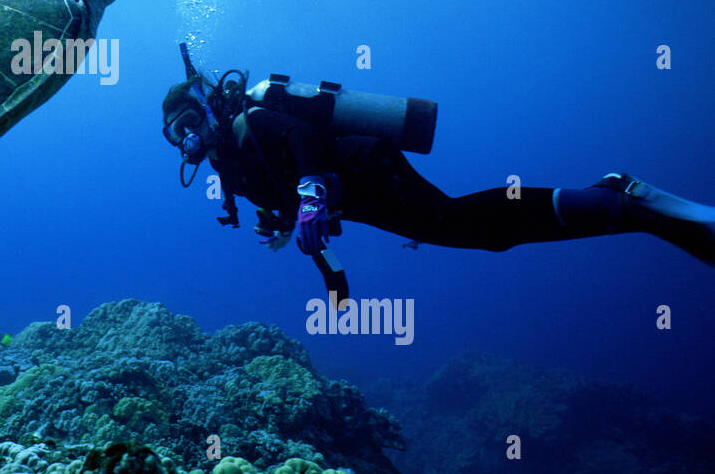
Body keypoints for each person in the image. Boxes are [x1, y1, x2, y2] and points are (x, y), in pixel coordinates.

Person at [162, 46, 715, 298]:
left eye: (188, 119)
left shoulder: (248, 122)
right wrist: (322, 266)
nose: (186, 136)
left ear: (208, 107)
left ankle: (621, 199)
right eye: (175, 133)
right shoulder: (230, 169)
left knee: (460, 222)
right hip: (360, 196)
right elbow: (301, 215)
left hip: (365, 167)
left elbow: (298, 137)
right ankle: (618, 204)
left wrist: (307, 191)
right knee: (480, 235)